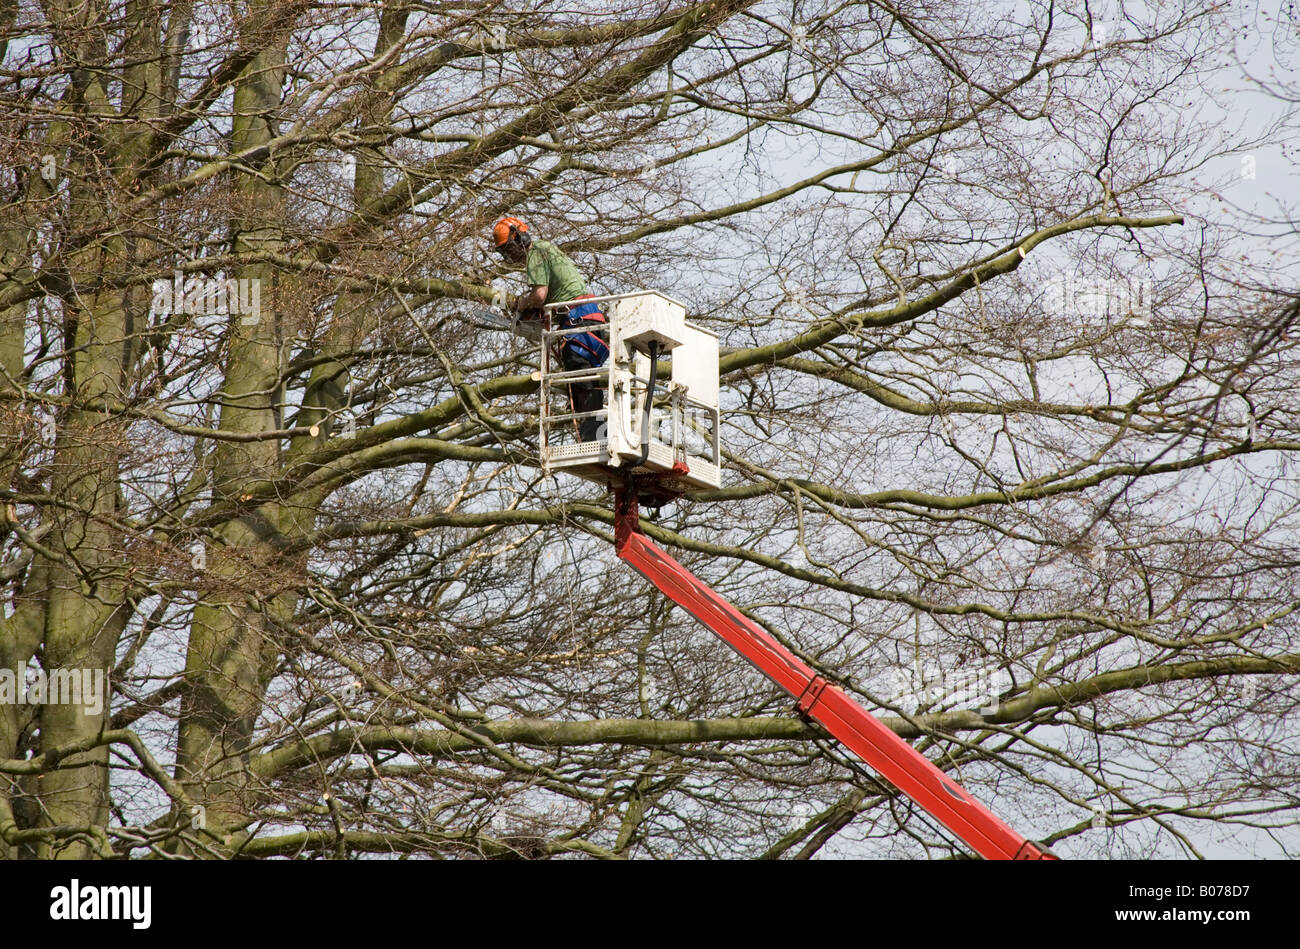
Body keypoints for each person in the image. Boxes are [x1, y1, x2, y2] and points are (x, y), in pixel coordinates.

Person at [492, 216, 609, 441]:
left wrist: (521, 303)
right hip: (585, 316)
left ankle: (592, 434)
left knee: (578, 370)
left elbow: (539, 295)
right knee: (581, 376)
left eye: (508, 248)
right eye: (504, 251)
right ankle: (594, 430)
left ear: (519, 237)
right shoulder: (547, 250)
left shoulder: (537, 252)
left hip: (578, 318)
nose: (510, 255)